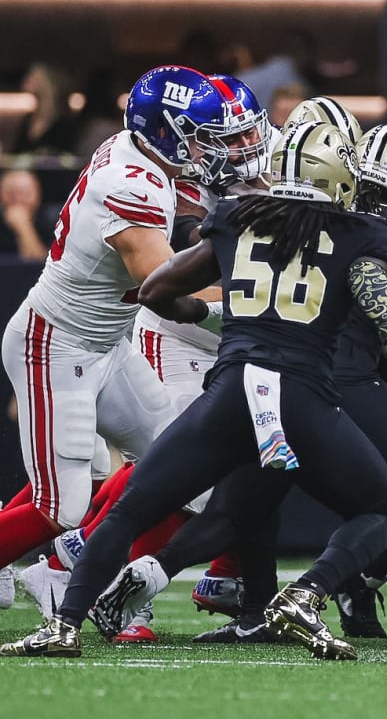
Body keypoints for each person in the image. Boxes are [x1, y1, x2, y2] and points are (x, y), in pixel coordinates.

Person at [94, 121, 387, 654]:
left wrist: (204, 313)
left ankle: (176, 578)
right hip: (340, 383)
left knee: (243, 505)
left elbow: (175, 285)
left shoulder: (304, 216)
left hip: (264, 378)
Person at [0, 120, 387, 661]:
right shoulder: (363, 234)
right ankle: (305, 594)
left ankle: (67, 623)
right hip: (301, 401)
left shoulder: (235, 217)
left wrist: (215, 311)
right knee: (383, 510)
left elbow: (157, 289)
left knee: (135, 507)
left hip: (234, 391)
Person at [0, 66, 229, 588]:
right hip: (56, 346)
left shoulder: (136, 150)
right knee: (62, 506)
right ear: (166, 131)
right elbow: (166, 291)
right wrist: (241, 308)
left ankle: (56, 576)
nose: (206, 147)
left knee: (182, 462)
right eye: (197, 134)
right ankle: (44, 566)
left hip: (105, 346)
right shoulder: (131, 184)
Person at [9, 63, 79, 156]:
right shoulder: (28, 118)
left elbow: (65, 157)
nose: (26, 79)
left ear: (45, 82)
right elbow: (15, 154)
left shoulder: (64, 121)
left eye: (33, 75)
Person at [0, 170, 54, 260]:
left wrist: (24, 227)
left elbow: (41, 264)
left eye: (26, 193)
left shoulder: (52, 221)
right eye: (11, 194)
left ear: (38, 195)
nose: (19, 199)